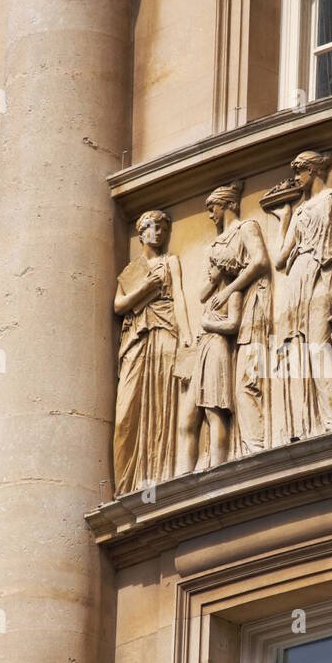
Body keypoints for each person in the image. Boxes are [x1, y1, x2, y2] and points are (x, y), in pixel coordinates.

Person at [177, 183, 270, 473]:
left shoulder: (247, 228)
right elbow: (204, 292)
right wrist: (216, 280)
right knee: (191, 416)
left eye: (212, 207)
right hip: (206, 343)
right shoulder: (215, 246)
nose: (210, 215)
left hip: (222, 338)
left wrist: (229, 290)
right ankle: (186, 470)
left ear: (228, 204)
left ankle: (219, 464)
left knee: (217, 408)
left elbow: (260, 262)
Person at [271, 150, 332, 441]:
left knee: (319, 347)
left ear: (314, 171)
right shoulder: (301, 211)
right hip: (296, 281)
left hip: (322, 273)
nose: (296, 178)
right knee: (296, 352)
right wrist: (285, 219)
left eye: (300, 172)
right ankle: (303, 426)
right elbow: (280, 259)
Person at [113, 209, 192, 494]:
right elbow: (118, 306)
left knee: (162, 403)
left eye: (162, 229)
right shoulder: (131, 271)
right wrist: (144, 288)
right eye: (152, 228)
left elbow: (180, 299)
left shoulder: (171, 262)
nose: (158, 233)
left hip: (164, 332)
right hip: (136, 337)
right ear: (140, 231)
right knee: (125, 412)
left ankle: (155, 479)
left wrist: (186, 338)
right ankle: (127, 484)